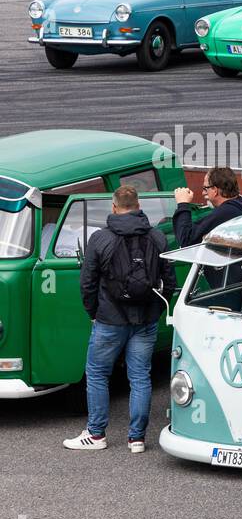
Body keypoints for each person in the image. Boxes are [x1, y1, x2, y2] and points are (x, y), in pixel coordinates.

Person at [65, 185, 176, 453]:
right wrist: (155, 312)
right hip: (145, 320)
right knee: (140, 377)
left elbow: (87, 283)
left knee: (98, 374)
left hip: (109, 319)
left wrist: (94, 313)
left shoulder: (100, 239)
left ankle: (96, 434)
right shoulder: (158, 237)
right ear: (139, 207)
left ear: (114, 207)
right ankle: (136, 438)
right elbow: (169, 282)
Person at [172, 165, 242, 248]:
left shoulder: (225, 213)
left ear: (215, 190)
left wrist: (182, 203)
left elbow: (186, 241)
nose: (203, 193)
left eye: (205, 188)